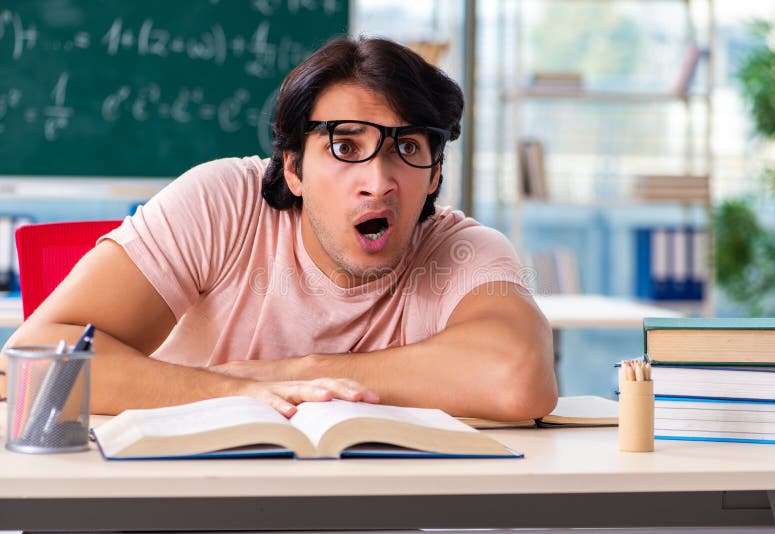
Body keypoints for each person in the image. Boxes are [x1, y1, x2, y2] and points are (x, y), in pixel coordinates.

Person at [2, 37, 557, 420]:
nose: (380, 180)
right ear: (292, 166)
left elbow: (519, 376)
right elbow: (32, 360)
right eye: (345, 146)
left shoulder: (462, 249)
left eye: (408, 148)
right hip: (175, 501)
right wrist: (237, 391)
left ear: (435, 172)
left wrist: (298, 372)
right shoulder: (222, 203)